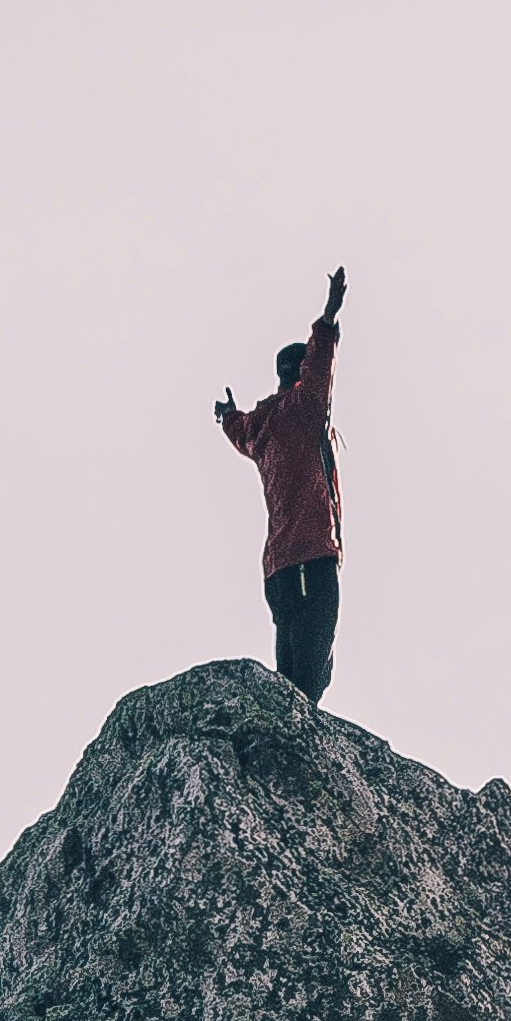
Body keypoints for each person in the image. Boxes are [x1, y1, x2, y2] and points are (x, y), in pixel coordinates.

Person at [214, 267, 349, 704]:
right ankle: (297, 730)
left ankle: (286, 723)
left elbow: (237, 428)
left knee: (290, 667)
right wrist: (329, 313)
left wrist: (227, 414)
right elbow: (321, 359)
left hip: (278, 569)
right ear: (301, 375)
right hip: (311, 555)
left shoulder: (259, 426)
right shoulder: (305, 405)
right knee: (312, 669)